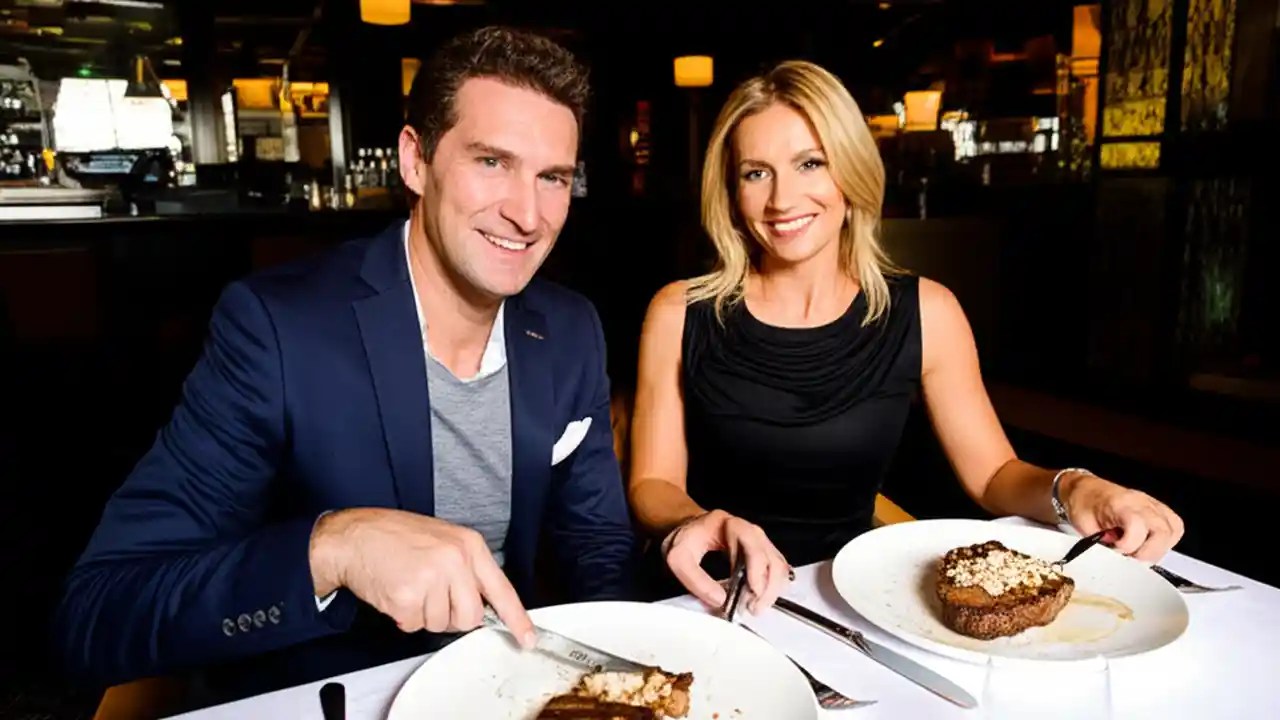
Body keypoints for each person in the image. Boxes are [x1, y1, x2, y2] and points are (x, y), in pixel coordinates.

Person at [52, 26, 634, 702]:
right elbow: (94, 614)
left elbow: (598, 553)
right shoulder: (278, 329)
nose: (527, 213)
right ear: (415, 161)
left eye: (552, 177)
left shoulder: (569, 329)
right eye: (491, 162)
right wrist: (332, 549)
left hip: (513, 694)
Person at [626, 60, 1185, 615]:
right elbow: (652, 481)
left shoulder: (927, 311)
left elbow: (993, 475)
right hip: (704, 601)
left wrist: (1077, 488)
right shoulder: (680, 311)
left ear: (850, 170)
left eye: (810, 163)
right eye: (756, 172)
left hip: (846, 601)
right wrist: (698, 522)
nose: (781, 199)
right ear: (730, 189)